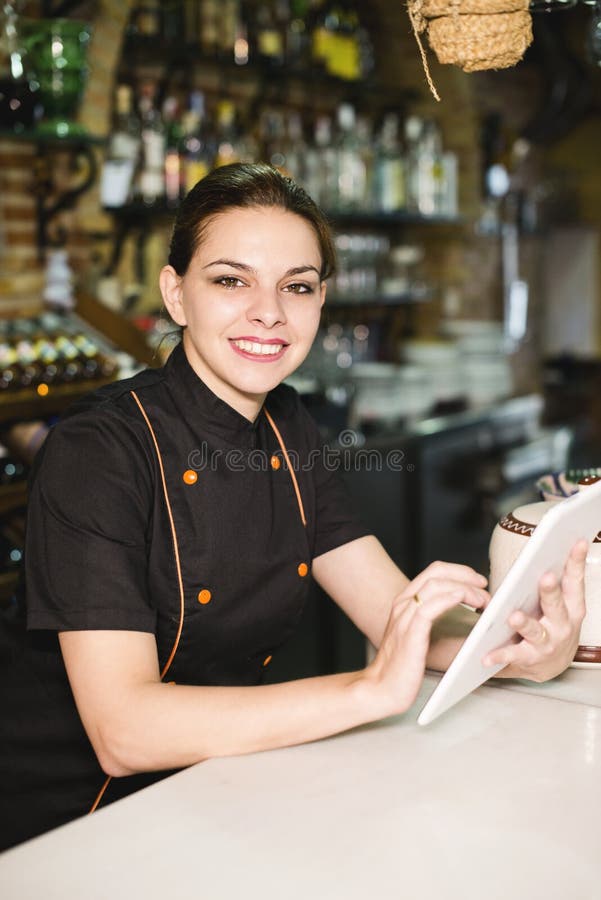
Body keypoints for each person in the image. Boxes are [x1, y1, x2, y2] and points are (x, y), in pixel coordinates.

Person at [0, 163, 586, 852]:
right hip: (64, 826)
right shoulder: (99, 450)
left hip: (208, 789)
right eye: (230, 280)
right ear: (176, 294)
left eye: (297, 286)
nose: (269, 312)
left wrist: (522, 646)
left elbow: (394, 614)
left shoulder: (287, 425)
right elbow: (123, 733)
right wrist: (367, 690)